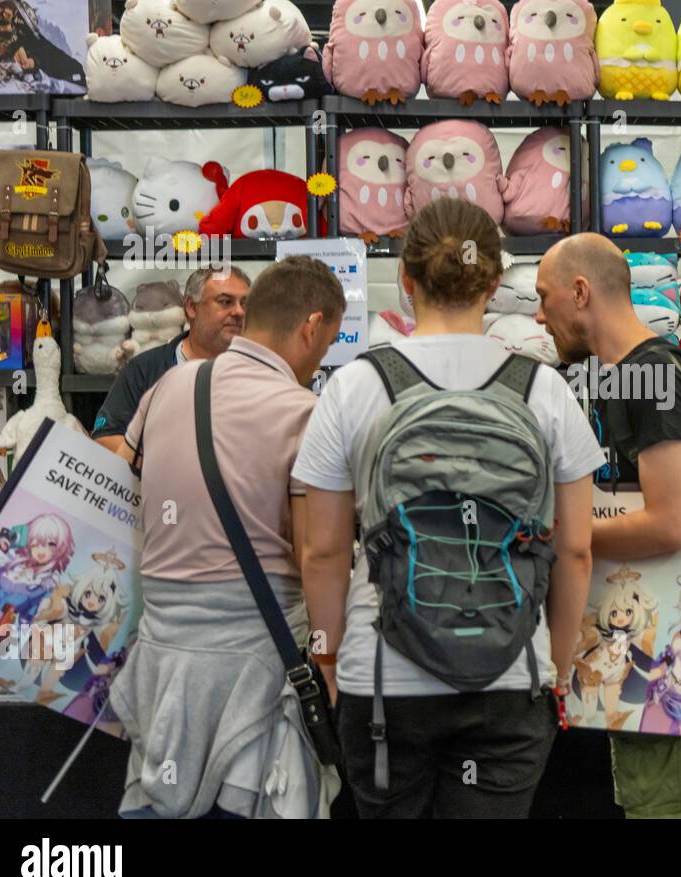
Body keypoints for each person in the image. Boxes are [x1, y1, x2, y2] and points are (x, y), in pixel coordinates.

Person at [294, 198, 601, 819]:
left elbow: (322, 550)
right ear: (493, 283)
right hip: (509, 674)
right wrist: (555, 668)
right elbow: (575, 548)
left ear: (406, 281)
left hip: (383, 680)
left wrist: (325, 654)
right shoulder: (543, 389)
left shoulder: (355, 385)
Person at [109, 256, 345, 819]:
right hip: (259, 672)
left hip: (165, 669)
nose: (320, 359)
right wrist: (329, 664)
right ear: (311, 327)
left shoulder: (169, 385)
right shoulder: (305, 412)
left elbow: (128, 477)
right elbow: (320, 553)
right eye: (327, 342)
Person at [535, 232, 681, 819]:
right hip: (650, 638)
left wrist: (562, 534)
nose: (538, 315)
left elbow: (669, 524)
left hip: (666, 655)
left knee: (660, 803)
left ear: (580, 292)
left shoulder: (651, 376)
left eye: (545, 297)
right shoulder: (625, 376)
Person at [93, 264, 250, 454]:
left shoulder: (260, 372)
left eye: (245, 303)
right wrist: (165, 466)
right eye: (225, 302)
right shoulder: (144, 370)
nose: (239, 312)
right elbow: (106, 437)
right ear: (192, 307)